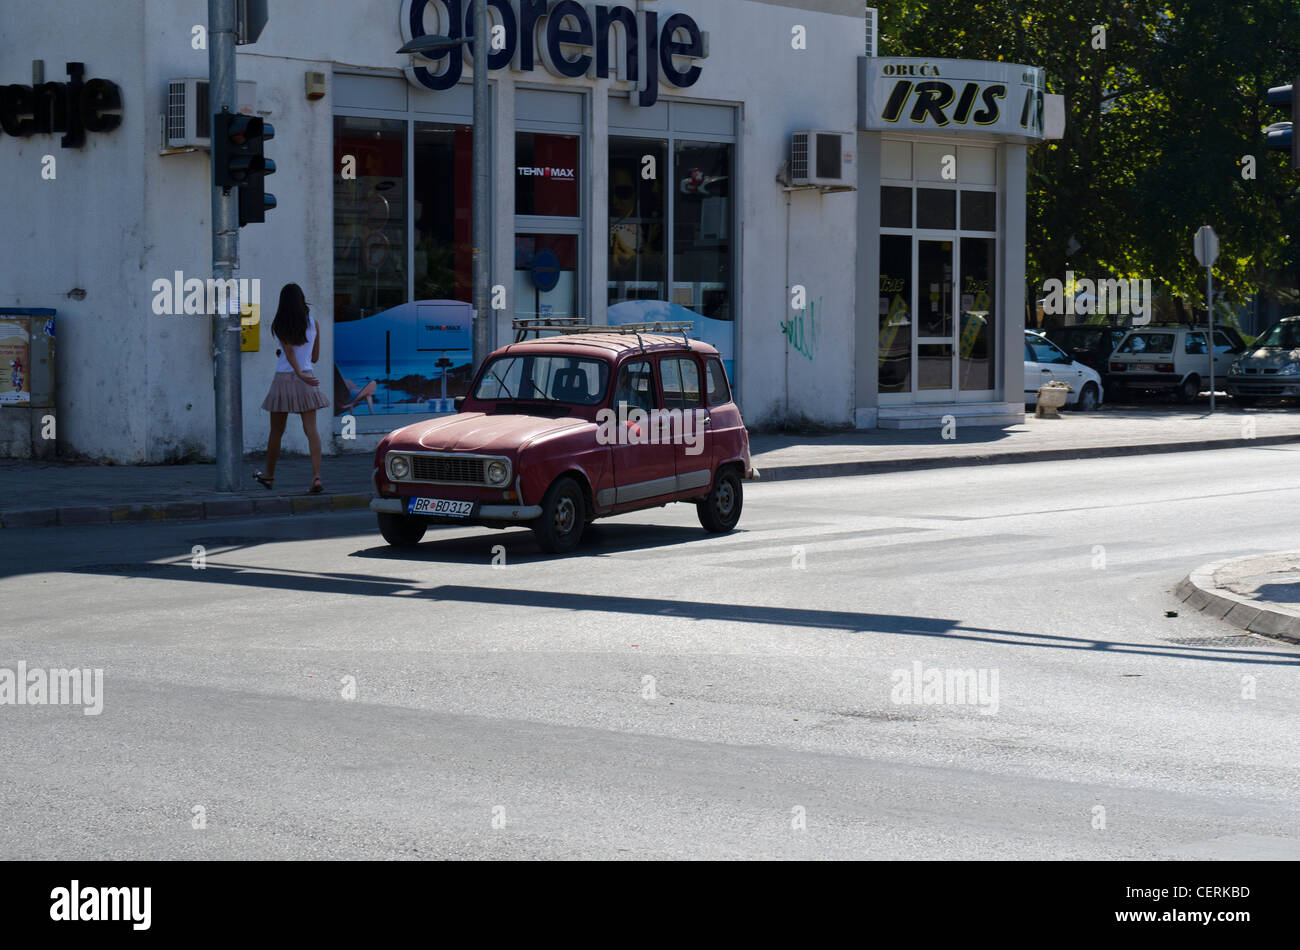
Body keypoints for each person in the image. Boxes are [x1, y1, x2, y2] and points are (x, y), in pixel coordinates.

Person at [254, 283, 328, 492]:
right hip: (308, 378)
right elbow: (314, 357)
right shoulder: (313, 324)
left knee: (276, 431)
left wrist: (298, 373)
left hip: (285, 379)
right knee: (311, 430)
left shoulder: (280, 323)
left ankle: (269, 476)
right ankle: (316, 477)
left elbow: (288, 353)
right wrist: (304, 373)